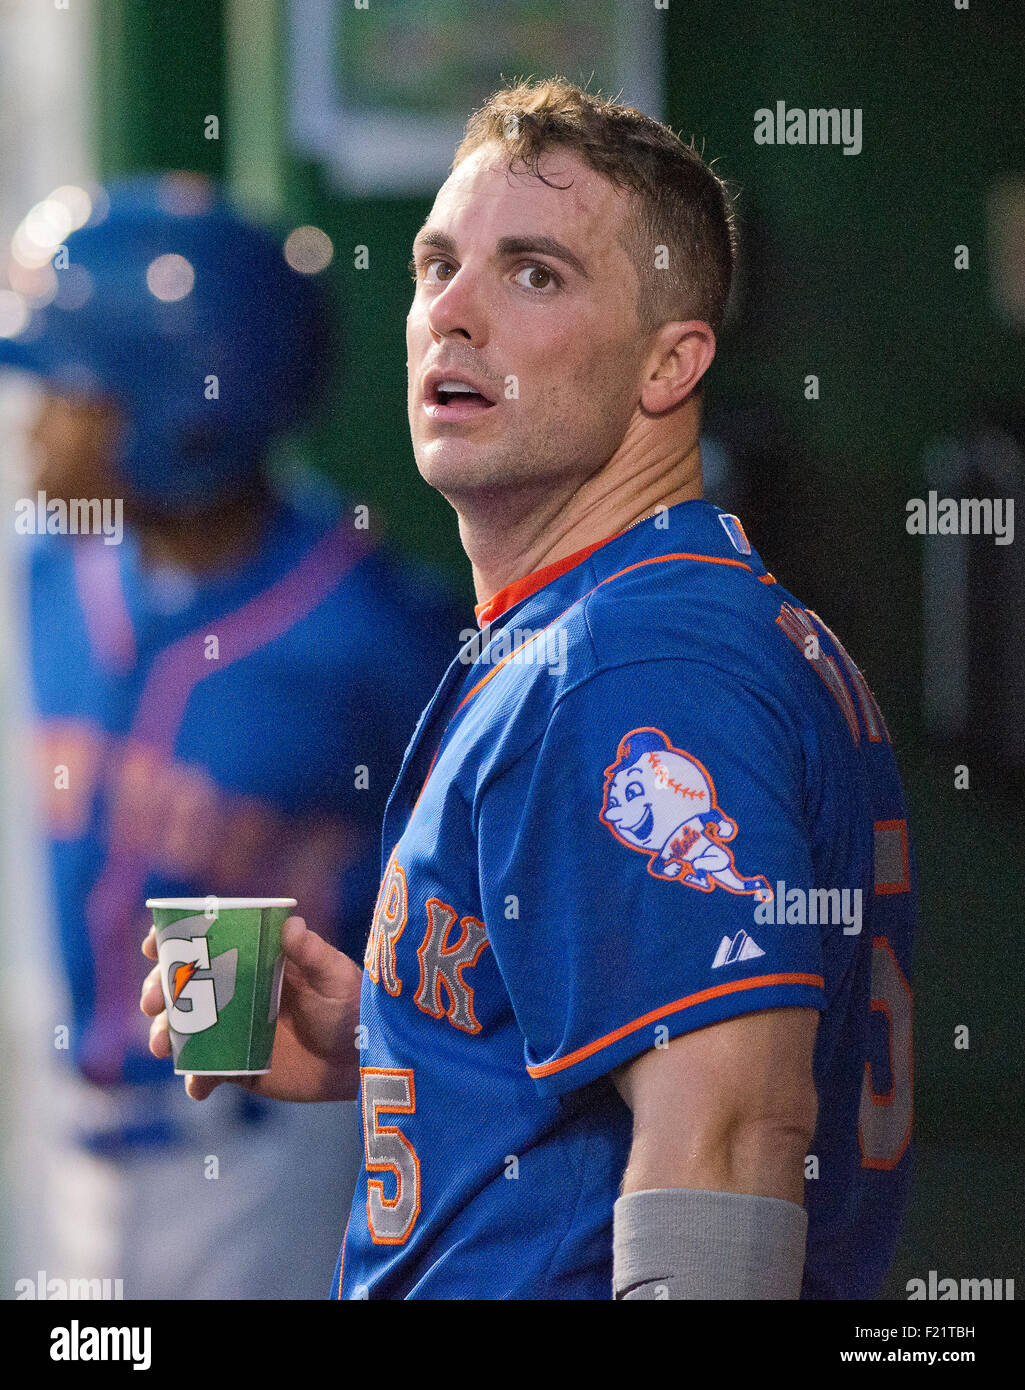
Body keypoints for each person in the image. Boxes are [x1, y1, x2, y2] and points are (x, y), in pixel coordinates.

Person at [142, 81, 916, 1300]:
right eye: (435, 265)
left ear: (671, 363)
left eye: (533, 274)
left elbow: (730, 1140)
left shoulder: (638, 662)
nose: (451, 311)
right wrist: (406, 1027)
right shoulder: (605, 623)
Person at [2, 173, 463, 1298]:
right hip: (55, 1139)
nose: (35, 427)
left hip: (271, 1147)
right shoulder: (44, 582)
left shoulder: (378, 639)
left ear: (179, 415)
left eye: (70, 393)